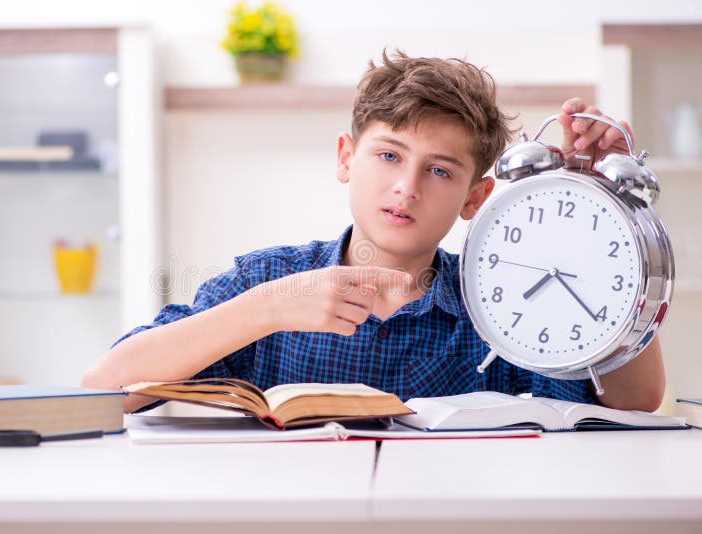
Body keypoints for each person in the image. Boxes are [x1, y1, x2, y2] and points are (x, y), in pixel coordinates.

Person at [81, 50, 665, 414]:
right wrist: (267, 308)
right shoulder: (269, 278)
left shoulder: (500, 305)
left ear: (475, 198)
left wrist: (607, 208)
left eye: (440, 171)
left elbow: (635, 401)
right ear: (346, 157)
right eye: (389, 156)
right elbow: (103, 388)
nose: (407, 187)